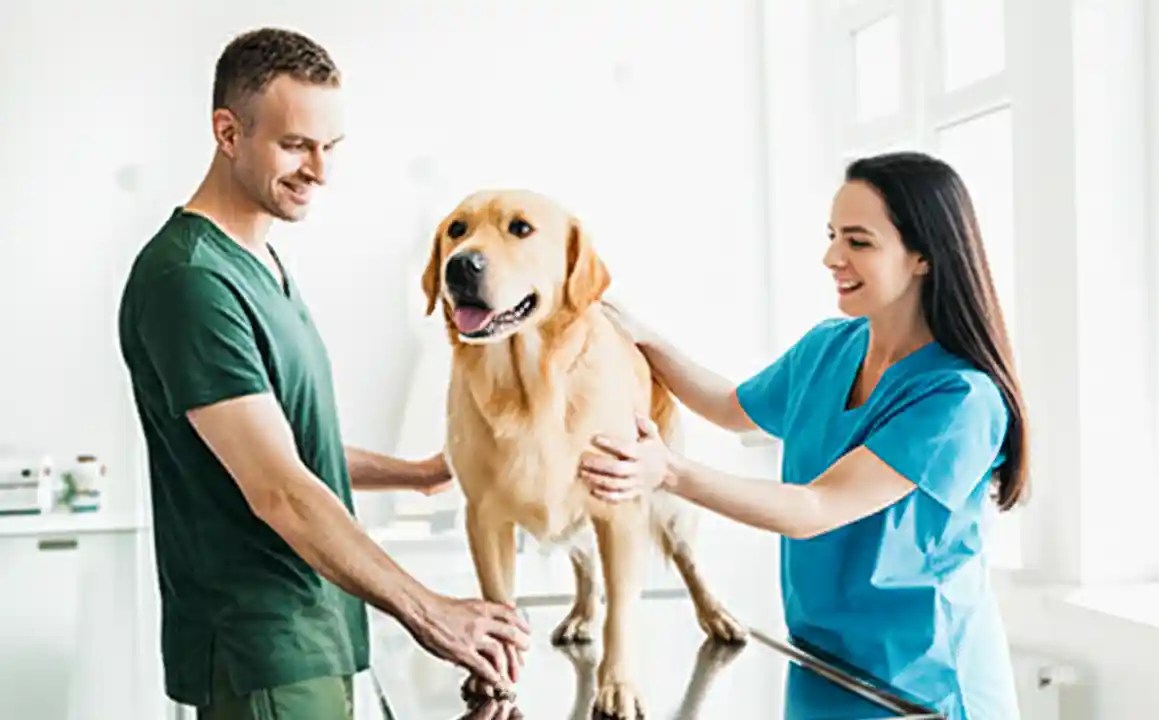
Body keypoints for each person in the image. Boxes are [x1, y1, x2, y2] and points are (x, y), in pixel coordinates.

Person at [117, 27, 529, 720]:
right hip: (261, 651)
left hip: (315, 633)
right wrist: (431, 613)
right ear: (227, 131)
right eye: (296, 145)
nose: (321, 171)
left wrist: (417, 474)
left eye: (331, 147)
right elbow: (278, 489)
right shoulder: (191, 280)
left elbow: (285, 448)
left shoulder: (262, 265)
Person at [579, 151, 1027, 719]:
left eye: (858, 242)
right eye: (833, 235)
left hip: (921, 689)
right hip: (822, 663)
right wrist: (645, 342)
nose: (831, 257)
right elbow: (730, 406)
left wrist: (667, 470)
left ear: (922, 256)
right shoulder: (830, 348)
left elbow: (815, 507)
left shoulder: (959, 400)